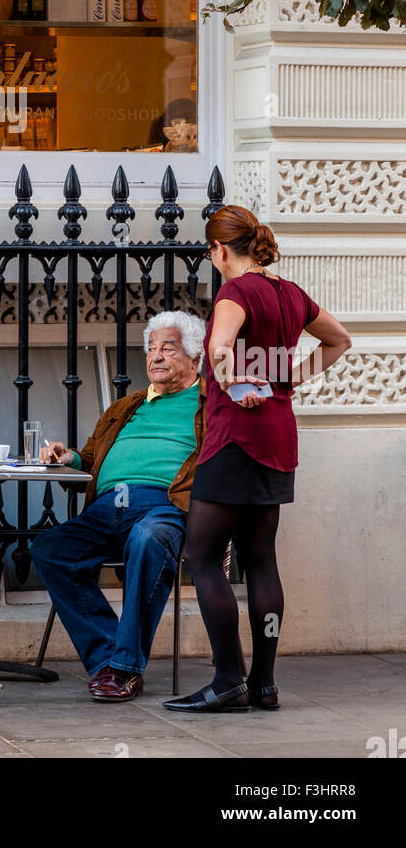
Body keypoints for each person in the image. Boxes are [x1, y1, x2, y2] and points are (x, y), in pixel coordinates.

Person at [162, 205, 351, 714]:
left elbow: (220, 349)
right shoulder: (290, 293)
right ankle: (263, 683)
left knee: (202, 556)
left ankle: (228, 680)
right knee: (261, 556)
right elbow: (340, 340)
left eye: (210, 249)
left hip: (235, 438)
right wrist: (290, 379)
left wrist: (237, 381)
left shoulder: (235, 292)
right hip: (277, 435)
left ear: (220, 250)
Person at [32, 312, 207, 702]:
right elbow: (90, 458)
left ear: (195, 357)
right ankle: (111, 655)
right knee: (51, 549)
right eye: (151, 349)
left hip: (166, 507)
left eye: (168, 348)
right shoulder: (126, 406)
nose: (156, 357)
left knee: (149, 538)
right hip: (107, 508)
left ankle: (124, 668)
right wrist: (67, 457)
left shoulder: (213, 404)